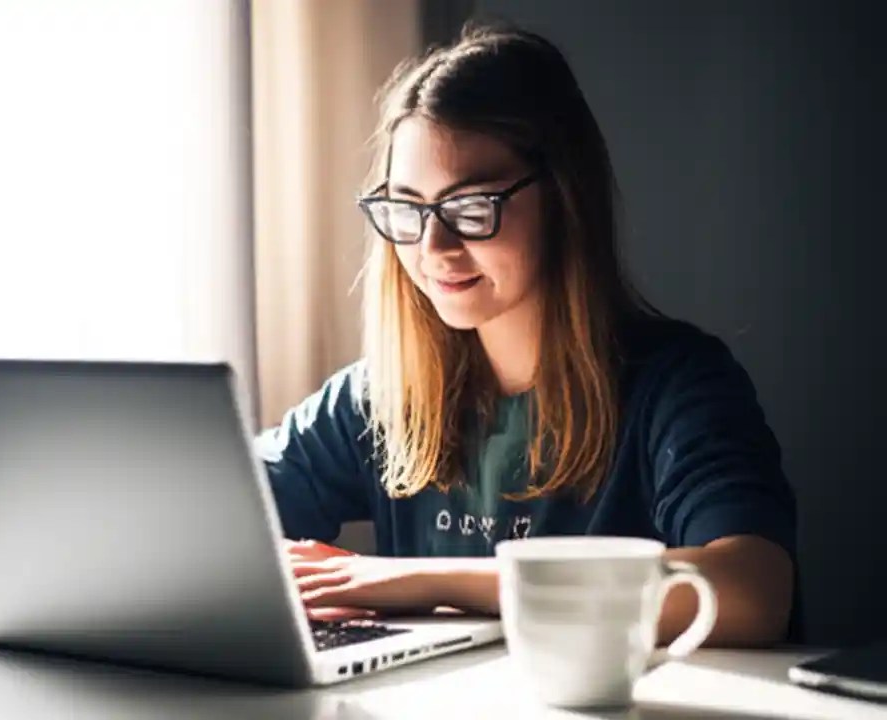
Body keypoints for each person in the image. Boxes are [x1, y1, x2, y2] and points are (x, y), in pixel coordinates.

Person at [255, 22, 796, 646]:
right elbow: (215, 517)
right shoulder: (381, 398)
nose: (434, 246)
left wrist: (428, 580)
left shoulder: (677, 386)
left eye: (471, 208)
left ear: (564, 199)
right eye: (408, 209)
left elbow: (752, 591)